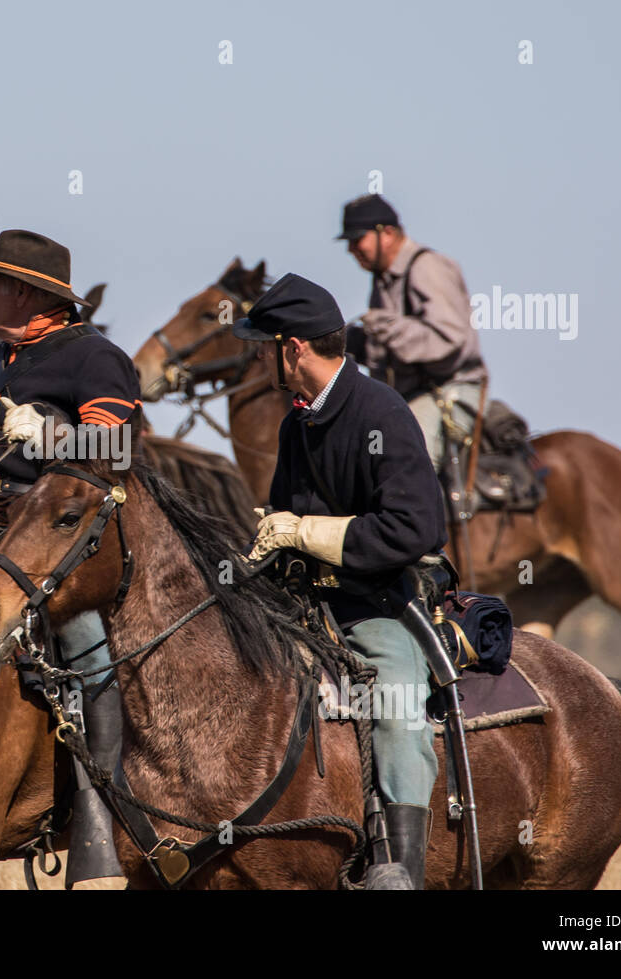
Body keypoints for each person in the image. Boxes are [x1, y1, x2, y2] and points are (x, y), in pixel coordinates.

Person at [236, 272, 445, 889]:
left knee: (399, 712)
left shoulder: (381, 410)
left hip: (376, 605)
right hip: (303, 606)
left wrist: (310, 534)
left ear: (292, 349)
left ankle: (400, 870)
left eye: (262, 345)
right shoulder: (294, 423)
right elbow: (286, 518)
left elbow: (417, 530)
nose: (256, 357)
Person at [0, 229, 141, 885]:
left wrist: (53, 434)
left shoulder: (96, 359)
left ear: (27, 292)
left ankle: (99, 821)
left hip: (58, 551)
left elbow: (120, 456)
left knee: (89, 650)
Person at [337, 194, 487, 470]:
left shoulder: (426, 267)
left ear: (388, 234)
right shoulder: (383, 279)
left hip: (450, 391)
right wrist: (361, 345)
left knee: (404, 453)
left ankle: (418, 514)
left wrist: (385, 330)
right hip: (409, 396)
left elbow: (450, 339)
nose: (351, 249)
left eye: (357, 239)